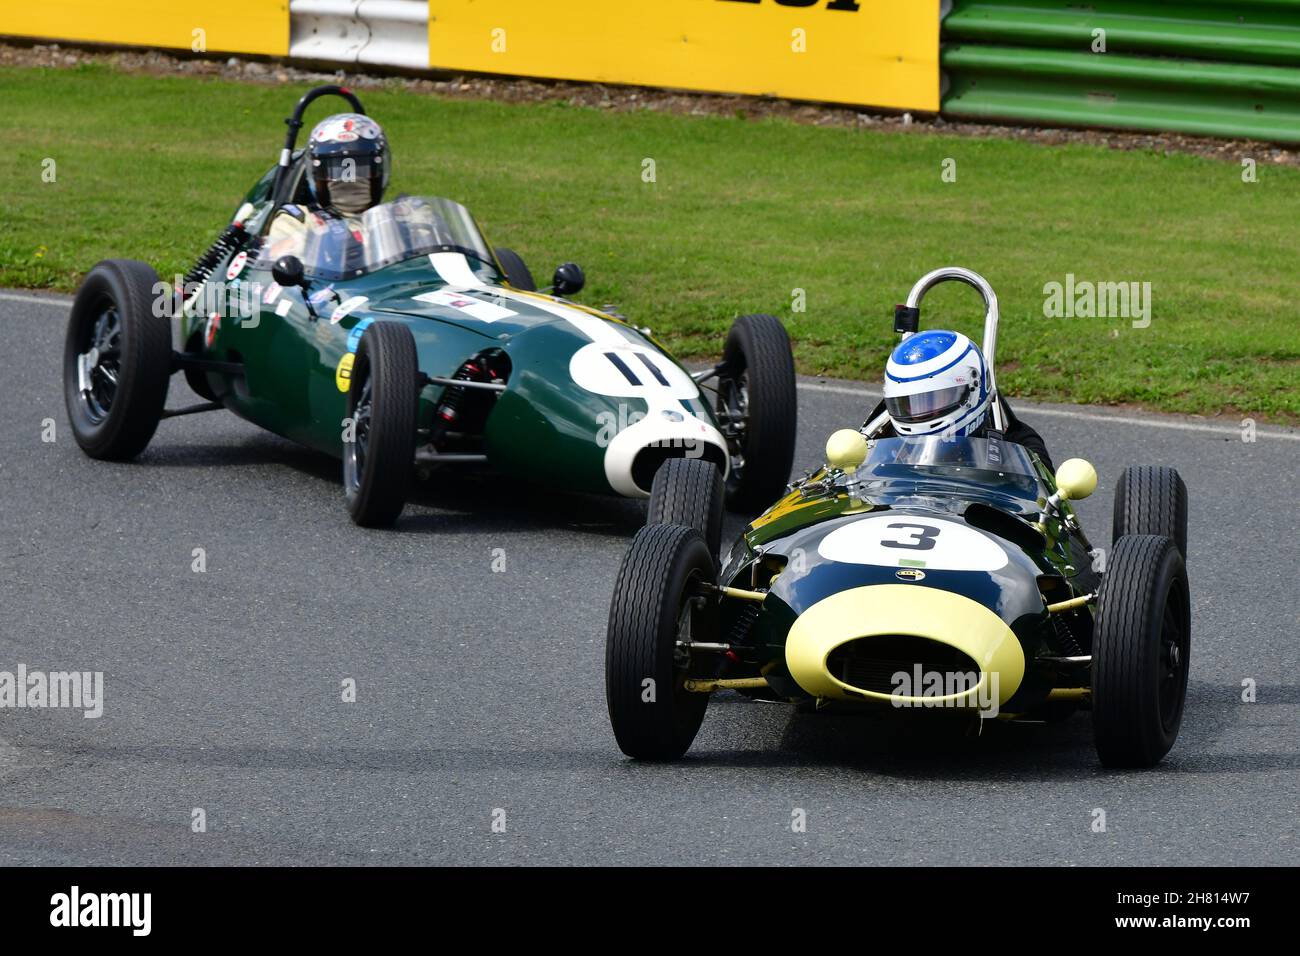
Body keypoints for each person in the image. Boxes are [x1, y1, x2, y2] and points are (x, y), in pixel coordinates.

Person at [865, 329, 1056, 472]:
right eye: (906, 404)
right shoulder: (883, 439)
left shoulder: (1020, 444)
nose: (918, 414)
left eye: (933, 400)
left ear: (972, 390)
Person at [266, 112, 391, 261]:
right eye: (337, 170)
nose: (348, 180)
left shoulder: (396, 218)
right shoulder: (296, 220)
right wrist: (312, 239)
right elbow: (277, 263)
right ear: (316, 173)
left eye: (361, 168)